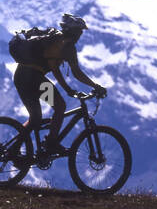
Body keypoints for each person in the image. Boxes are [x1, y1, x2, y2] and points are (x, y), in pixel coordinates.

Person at [13, 13, 107, 164]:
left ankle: (15, 150)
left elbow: (73, 72)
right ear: (73, 31)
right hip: (32, 77)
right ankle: (50, 143)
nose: (81, 34)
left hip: (24, 76)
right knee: (60, 106)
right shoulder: (63, 44)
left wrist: (82, 87)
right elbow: (62, 71)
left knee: (36, 118)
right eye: (80, 31)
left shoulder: (61, 43)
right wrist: (88, 87)